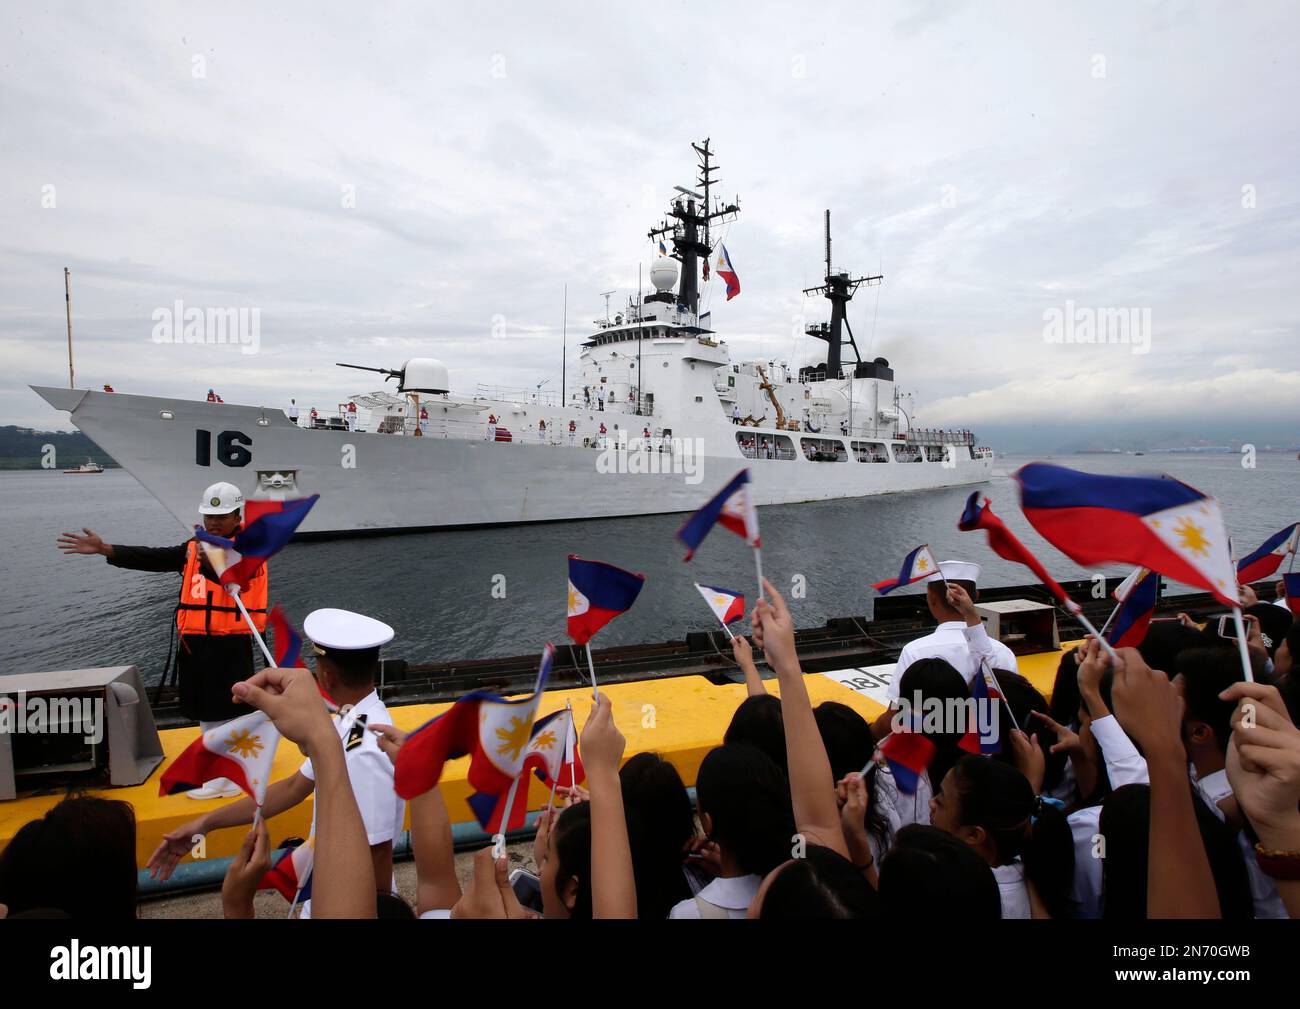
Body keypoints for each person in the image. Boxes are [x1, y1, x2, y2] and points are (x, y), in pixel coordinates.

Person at [146, 608, 405, 918]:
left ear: (325, 675)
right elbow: (295, 787)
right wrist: (205, 824)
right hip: (332, 896)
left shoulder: (362, 751)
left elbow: (377, 853)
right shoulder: (349, 723)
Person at [57, 481, 267, 799]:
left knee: (225, 710)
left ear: (239, 516)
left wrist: (210, 558)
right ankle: (220, 770)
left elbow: (232, 574)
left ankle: (226, 774)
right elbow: (157, 558)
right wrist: (107, 549)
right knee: (204, 710)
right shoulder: (196, 546)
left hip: (228, 644)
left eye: (222, 516)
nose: (213, 522)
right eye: (209, 515)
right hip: (196, 643)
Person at [880, 563, 1019, 713]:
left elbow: (896, 713)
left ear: (931, 598)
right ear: (976, 597)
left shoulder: (915, 652)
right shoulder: (1003, 652)